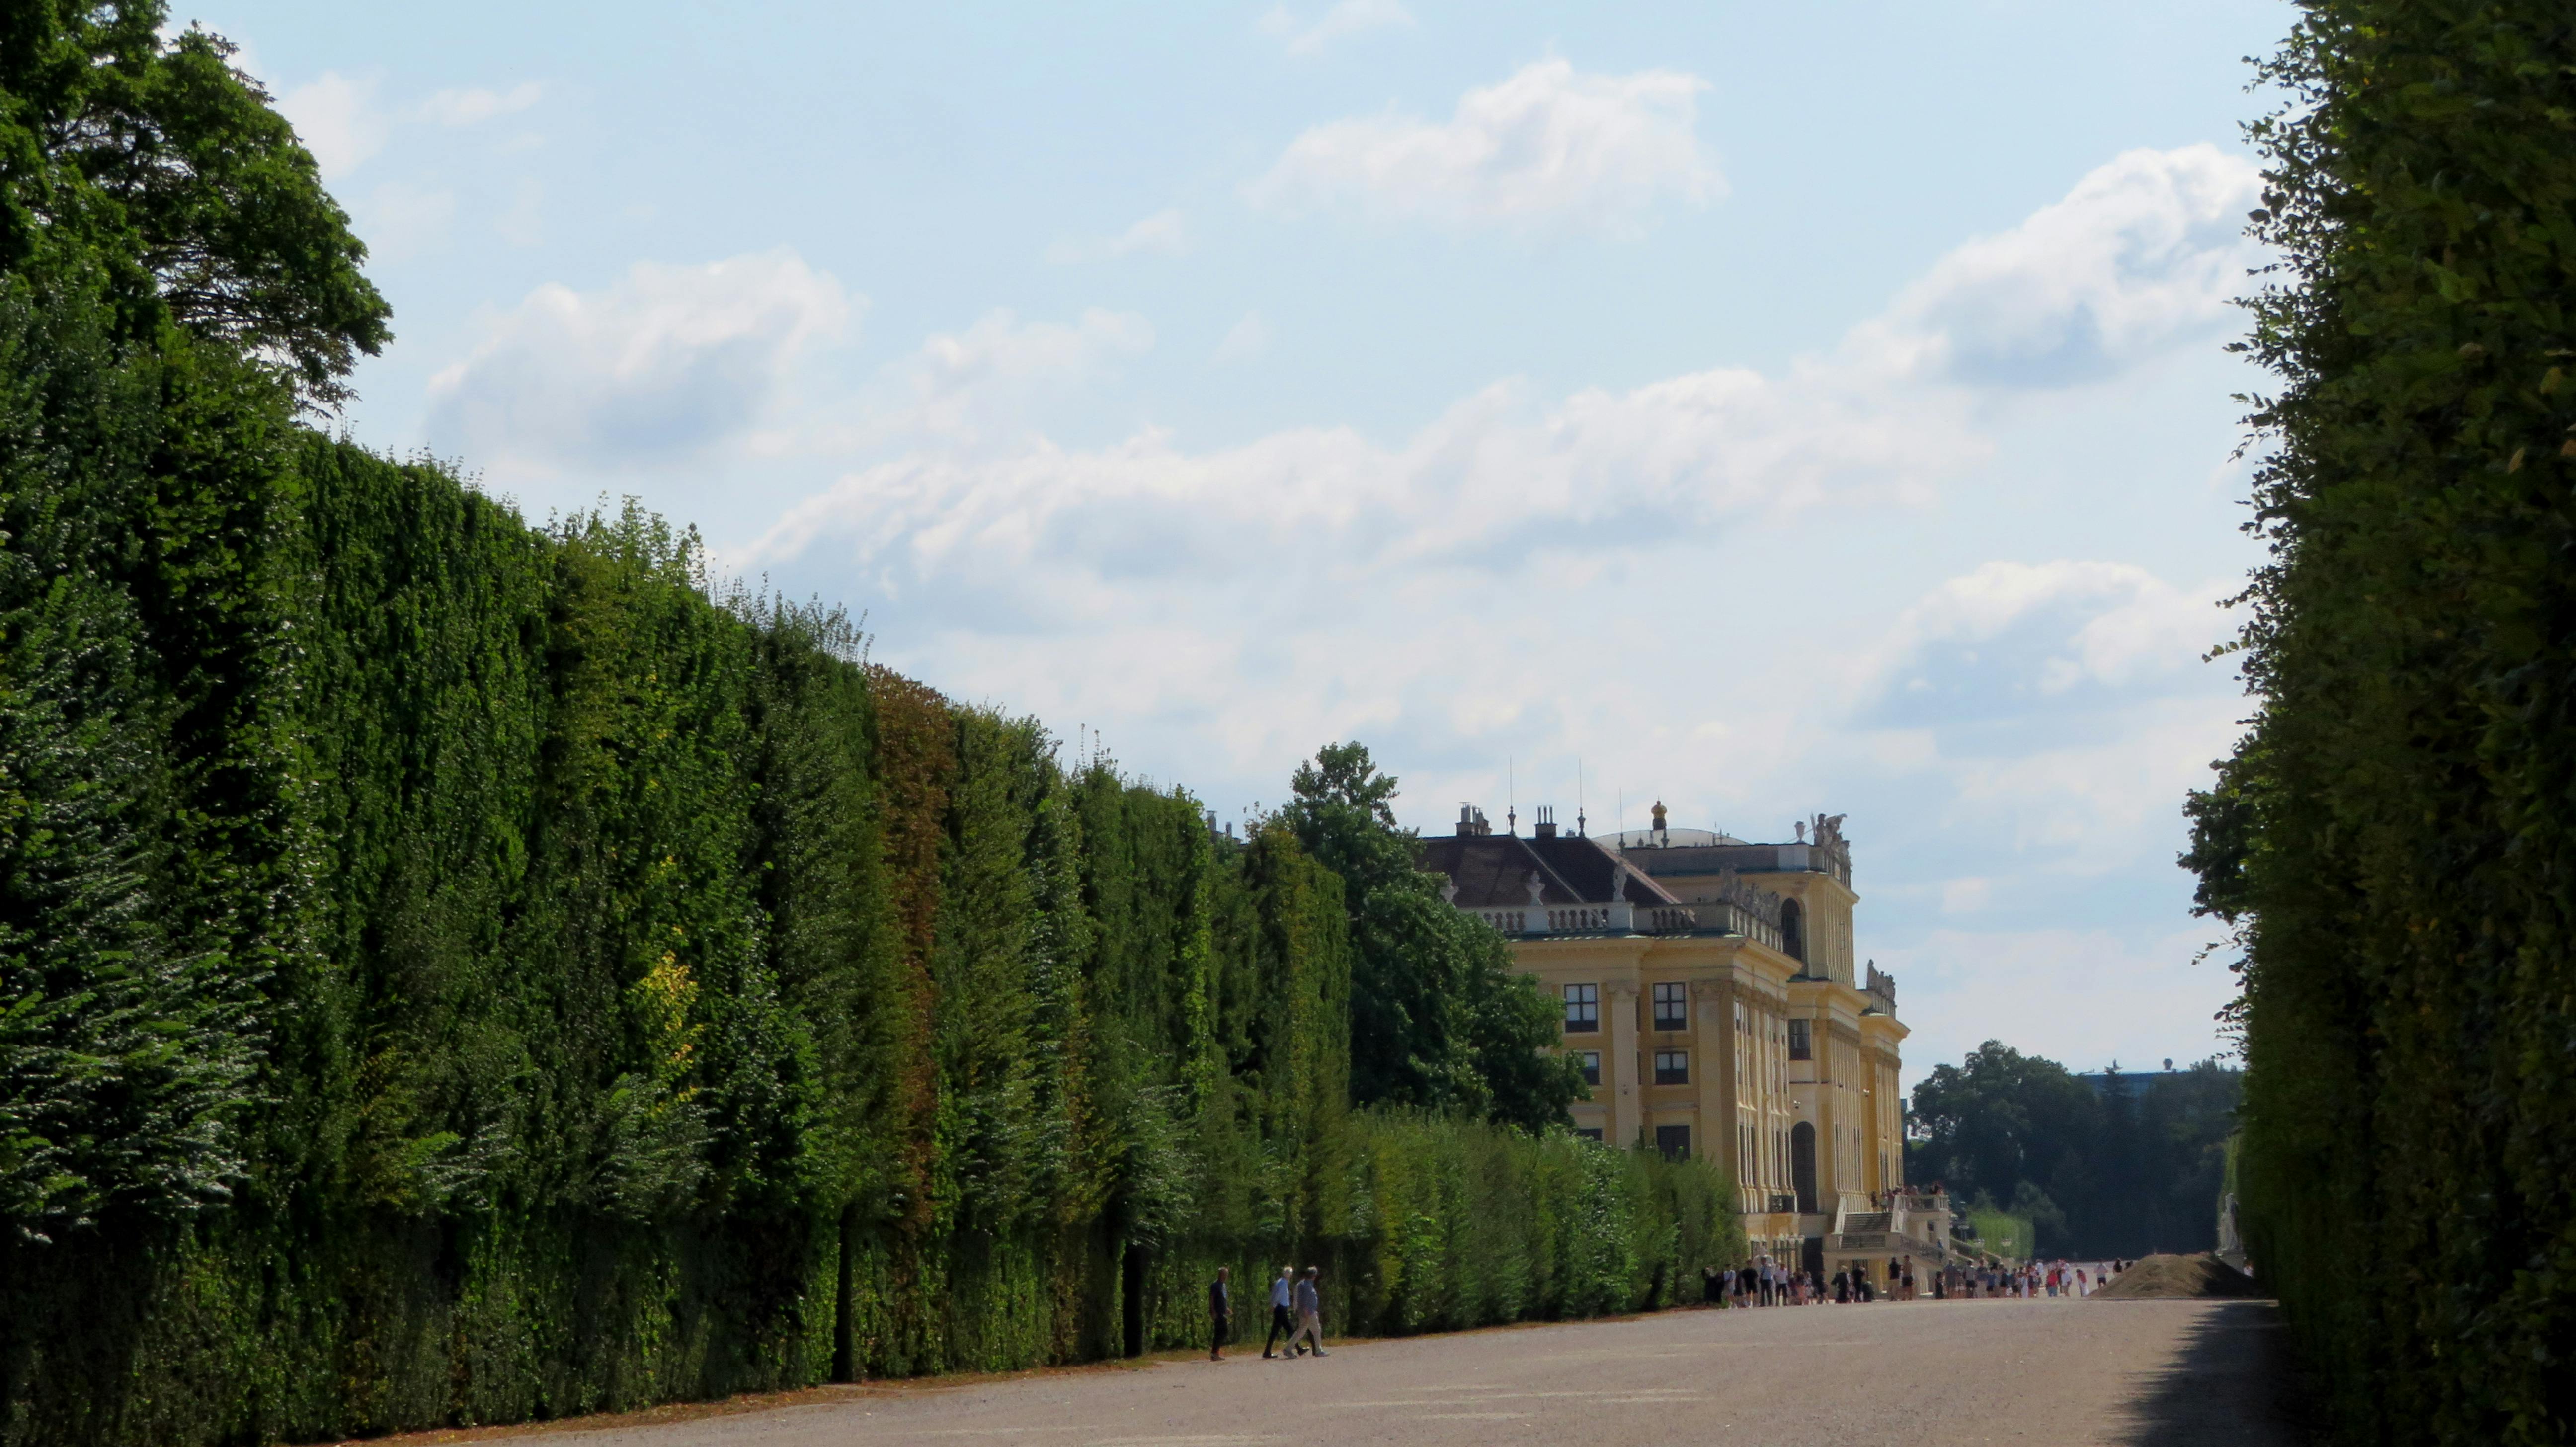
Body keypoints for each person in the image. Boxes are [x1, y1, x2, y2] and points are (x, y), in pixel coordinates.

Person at [1288, 1266, 1327, 1357]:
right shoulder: (1307, 1285)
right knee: (1317, 1330)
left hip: (1306, 1311)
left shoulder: (1303, 1283)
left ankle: (1288, 1349)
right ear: (1313, 1276)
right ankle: (1319, 1351)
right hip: (1309, 1312)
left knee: (1301, 1331)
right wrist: (1306, 1310)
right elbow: (1305, 1299)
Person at [1262, 1266, 1294, 1358]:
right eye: (1291, 1274)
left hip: (1280, 1308)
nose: (1291, 1275)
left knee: (1289, 1329)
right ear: (1288, 1274)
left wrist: (1273, 1305)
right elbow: (1278, 1296)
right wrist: (1273, 1306)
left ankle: (1299, 1348)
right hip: (1281, 1308)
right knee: (1277, 1331)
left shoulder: (1280, 1282)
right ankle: (1267, 1352)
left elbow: (1274, 1295)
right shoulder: (1283, 1284)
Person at [1208, 1267, 1232, 1361]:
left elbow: (1223, 1298)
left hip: (1223, 1311)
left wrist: (1227, 1308)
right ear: (1221, 1274)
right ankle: (1214, 1353)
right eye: (1225, 1274)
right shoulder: (1215, 1285)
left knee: (1222, 1332)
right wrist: (1213, 1311)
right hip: (1217, 1312)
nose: (1227, 1276)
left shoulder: (1223, 1285)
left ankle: (1215, 1352)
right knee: (1222, 1331)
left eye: (1227, 1274)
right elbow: (1212, 1299)